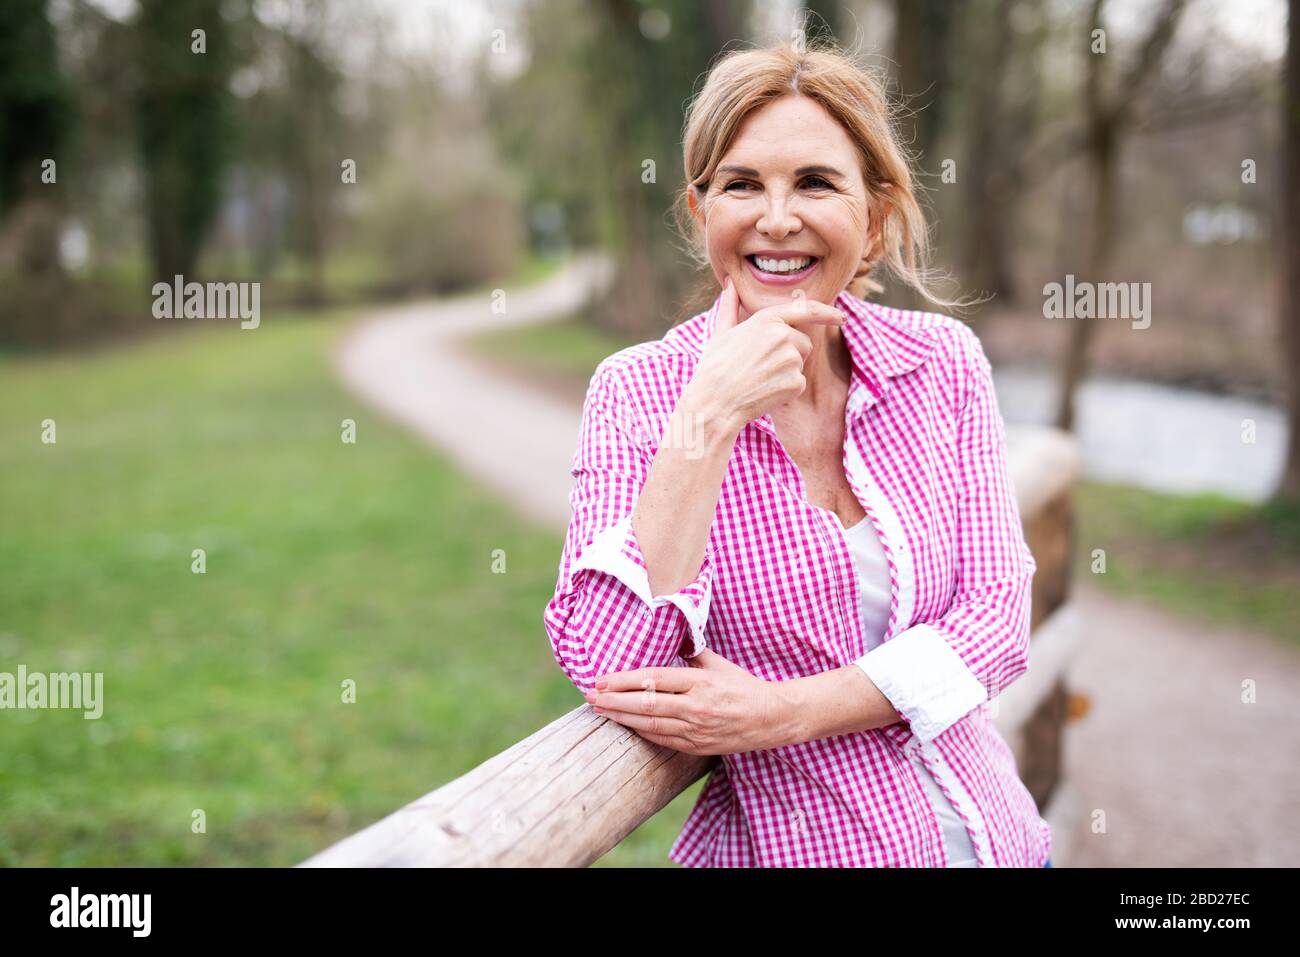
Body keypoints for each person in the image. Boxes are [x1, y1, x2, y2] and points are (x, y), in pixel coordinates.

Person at [542, 39, 1051, 868]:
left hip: (1006, 847)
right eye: (742, 184)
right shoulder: (637, 391)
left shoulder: (942, 363)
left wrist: (784, 712)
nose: (777, 218)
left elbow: (996, 621)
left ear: (875, 215)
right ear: (701, 212)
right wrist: (709, 413)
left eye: (815, 182)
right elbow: (610, 663)